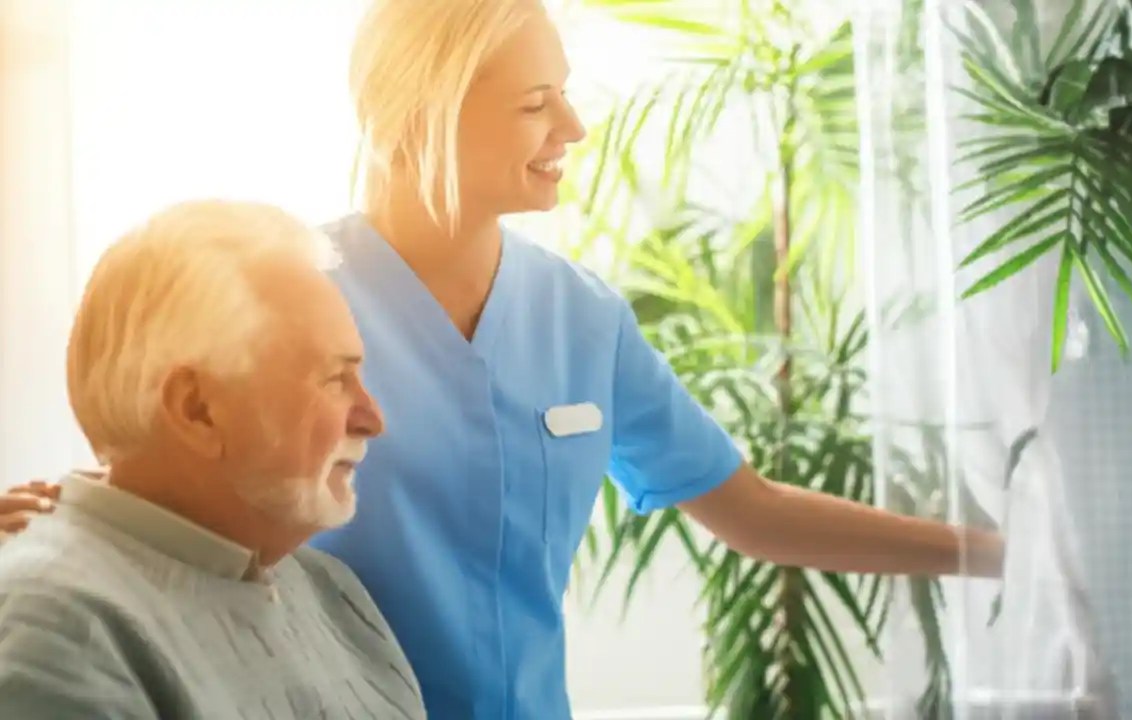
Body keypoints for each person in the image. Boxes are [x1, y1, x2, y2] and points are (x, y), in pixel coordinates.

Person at [2, 1, 1005, 716]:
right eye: (535, 103)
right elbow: (157, 477)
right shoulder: (291, 297)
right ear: (418, 109)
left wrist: (987, 551)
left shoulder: (579, 318)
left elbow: (749, 510)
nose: (572, 127)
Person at [0, 200, 425, 720]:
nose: (372, 418)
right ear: (197, 410)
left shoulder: (330, 590)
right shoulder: (57, 629)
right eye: (335, 380)